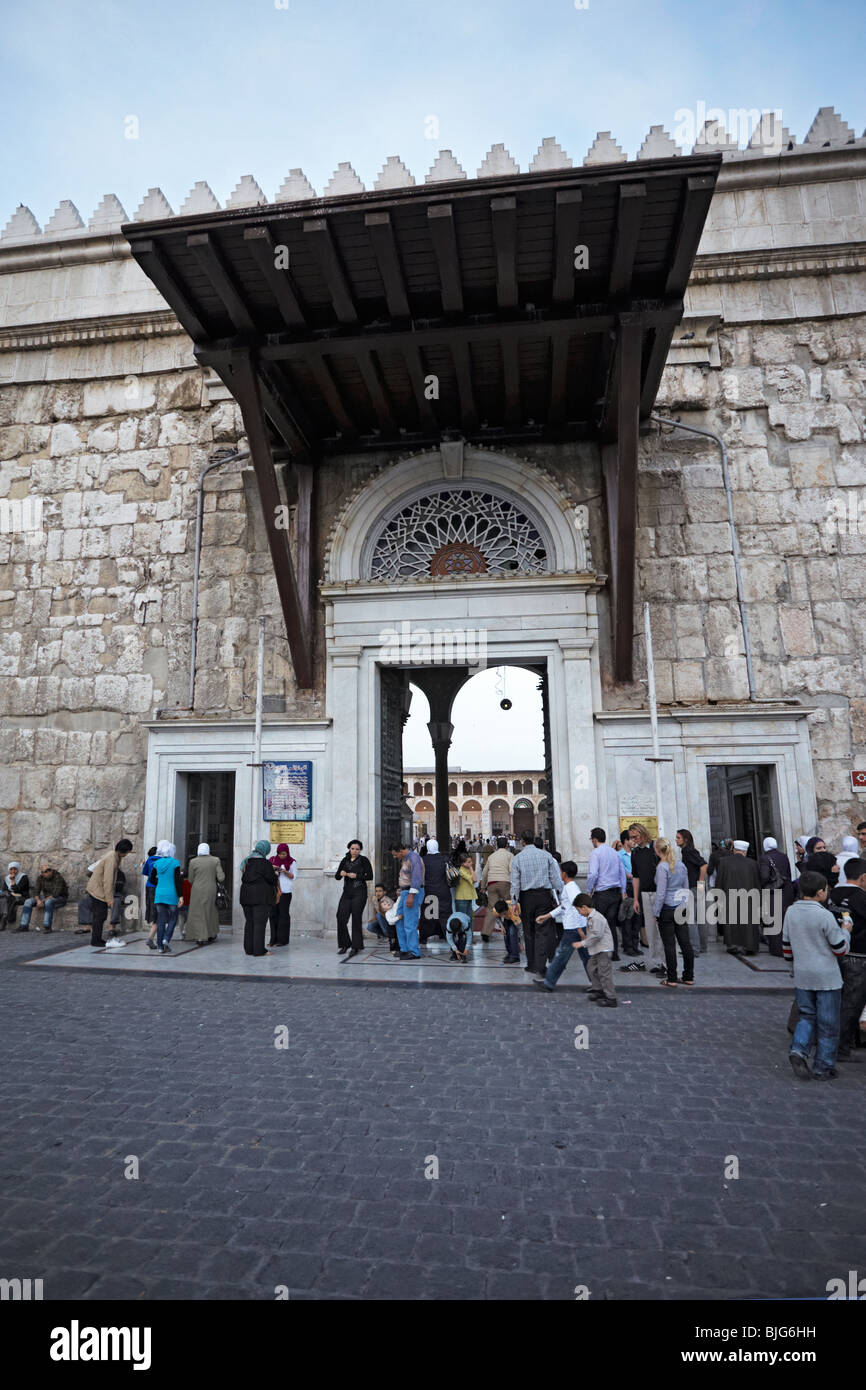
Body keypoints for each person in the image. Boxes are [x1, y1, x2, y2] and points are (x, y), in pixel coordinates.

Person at [783, 870, 850, 1080]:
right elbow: (840, 949)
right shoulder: (825, 915)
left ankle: (799, 1049)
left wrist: (794, 965)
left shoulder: (791, 912)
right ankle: (823, 1066)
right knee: (828, 1022)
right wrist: (846, 930)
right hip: (826, 976)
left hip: (803, 974)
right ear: (821, 892)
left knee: (806, 1015)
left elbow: (787, 947)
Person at [827, 856, 866, 1062]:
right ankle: (841, 1046)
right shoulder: (861, 898)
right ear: (863, 878)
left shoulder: (833, 894)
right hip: (858, 956)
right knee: (852, 1004)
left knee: (839, 1001)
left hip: (838, 953)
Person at [510, 831, 562, 978]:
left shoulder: (518, 858)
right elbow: (555, 878)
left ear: (522, 842)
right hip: (543, 896)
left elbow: (515, 883)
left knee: (529, 931)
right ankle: (541, 965)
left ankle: (532, 964)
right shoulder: (546, 856)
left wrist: (514, 902)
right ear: (533, 840)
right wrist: (561, 894)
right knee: (542, 930)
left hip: (526, 898)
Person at [532, 862, 586, 993]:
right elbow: (564, 907)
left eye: (560, 871)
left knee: (561, 956)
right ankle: (598, 984)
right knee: (586, 957)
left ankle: (549, 983)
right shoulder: (570, 887)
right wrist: (546, 916)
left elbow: (577, 905)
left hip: (573, 928)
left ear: (564, 874)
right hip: (577, 927)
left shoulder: (570, 888)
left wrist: (579, 927)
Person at [653, 837, 693, 987]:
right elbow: (686, 888)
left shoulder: (662, 867)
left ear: (657, 850)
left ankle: (671, 978)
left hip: (667, 908)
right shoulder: (681, 866)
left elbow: (661, 893)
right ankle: (689, 976)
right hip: (680, 907)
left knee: (669, 945)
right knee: (685, 943)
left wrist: (656, 912)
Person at [586, 827, 627, 961]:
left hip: (602, 893)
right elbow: (622, 873)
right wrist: (623, 891)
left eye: (592, 839)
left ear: (595, 839)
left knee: (598, 923)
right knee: (611, 923)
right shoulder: (615, 853)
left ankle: (600, 952)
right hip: (615, 893)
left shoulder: (595, 853)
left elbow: (593, 874)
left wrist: (588, 890)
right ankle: (613, 953)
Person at [715, 840, 762, 954]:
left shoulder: (724, 862)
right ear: (745, 852)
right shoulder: (753, 863)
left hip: (729, 897)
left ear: (734, 850)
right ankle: (750, 946)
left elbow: (719, 881)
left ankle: (732, 945)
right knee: (749, 923)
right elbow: (757, 883)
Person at [86, 840, 133, 949]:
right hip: (98, 890)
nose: (127, 855)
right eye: (127, 852)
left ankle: (97, 939)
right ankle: (96, 941)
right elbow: (108, 880)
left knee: (100, 916)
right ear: (124, 851)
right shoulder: (112, 859)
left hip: (98, 889)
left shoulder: (115, 855)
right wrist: (109, 898)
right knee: (100, 915)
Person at [334, 839, 373, 961]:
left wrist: (356, 876)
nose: (354, 851)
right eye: (352, 848)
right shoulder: (345, 860)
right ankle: (345, 944)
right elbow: (337, 877)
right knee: (340, 916)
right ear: (349, 849)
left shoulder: (364, 860)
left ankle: (356, 947)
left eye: (357, 849)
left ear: (360, 850)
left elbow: (370, 876)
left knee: (356, 918)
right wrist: (341, 873)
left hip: (360, 893)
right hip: (347, 893)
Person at [239, 840, 278, 958]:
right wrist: (275, 873)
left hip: (246, 896)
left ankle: (249, 949)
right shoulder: (265, 863)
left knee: (249, 923)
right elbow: (271, 879)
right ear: (265, 850)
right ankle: (259, 950)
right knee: (259, 924)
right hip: (260, 898)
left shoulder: (247, 861)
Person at [758, 836, 794, 958]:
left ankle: (776, 949)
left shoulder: (765, 858)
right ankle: (787, 946)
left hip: (773, 892)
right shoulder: (784, 856)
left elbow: (764, 876)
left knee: (773, 920)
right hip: (787, 890)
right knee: (784, 919)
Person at [185, 843, 225, 947]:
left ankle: (200, 936)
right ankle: (211, 933)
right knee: (211, 912)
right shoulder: (215, 860)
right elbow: (221, 877)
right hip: (211, 889)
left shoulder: (193, 861)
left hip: (197, 890)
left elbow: (190, 879)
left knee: (198, 913)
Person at [675, 829, 707, 954]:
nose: (676, 840)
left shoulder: (688, 851)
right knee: (699, 918)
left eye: (678, 838)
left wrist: (700, 883)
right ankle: (702, 947)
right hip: (695, 887)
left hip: (693, 888)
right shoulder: (688, 851)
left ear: (685, 839)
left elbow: (703, 865)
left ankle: (694, 948)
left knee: (691, 919)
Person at [391, 840, 424, 960]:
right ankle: (404, 949)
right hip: (405, 892)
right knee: (399, 920)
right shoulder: (405, 859)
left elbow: (416, 878)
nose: (395, 857)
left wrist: (411, 895)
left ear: (401, 851)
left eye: (395, 854)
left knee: (410, 923)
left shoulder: (414, 858)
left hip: (412, 893)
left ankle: (414, 951)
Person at [17, 861, 68, 933]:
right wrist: (38, 900)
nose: (46, 873)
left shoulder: (58, 878)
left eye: (48, 870)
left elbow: (56, 894)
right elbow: (36, 891)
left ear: (51, 870)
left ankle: (47, 926)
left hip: (60, 898)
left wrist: (42, 901)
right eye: (44, 872)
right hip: (46, 898)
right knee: (28, 901)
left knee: (48, 902)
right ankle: (24, 925)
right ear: (42, 873)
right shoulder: (40, 878)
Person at [150, 840, 182, 954]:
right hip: (172, 894)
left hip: (159, 894)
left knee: (161, 920)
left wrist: (160, 881)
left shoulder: (156, 863)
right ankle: (166, 939)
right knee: (173, 918)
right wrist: (181, 896)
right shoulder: (175, 863)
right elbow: (178, 881)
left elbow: (152, 880)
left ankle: (159, 946)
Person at [480, 836, 514, 940]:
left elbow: (485, 872)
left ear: (496, 845)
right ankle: (510, 929)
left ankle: (486, 932)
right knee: (508, 906)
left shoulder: (491, 857)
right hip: (505, 883)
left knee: (491, 908)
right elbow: (511, 870)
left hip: (492, 883)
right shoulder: (510, 855)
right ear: (507, 845)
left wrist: (483, 886)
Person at [419, 838, 451, 942]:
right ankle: (445, 934)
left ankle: (424, 936)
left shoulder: (423, 860)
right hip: (443, 891)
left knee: (428, 915)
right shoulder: (444, 859)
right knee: (444, 914)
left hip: (429, 891)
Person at [268, 843, 297, 947]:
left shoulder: (291, 862)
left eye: (284, 854)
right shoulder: (272, 860)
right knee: (273, 915)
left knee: (283, 915)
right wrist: (273, 870)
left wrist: (285, 871)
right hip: (274, 892)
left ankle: (282, 940)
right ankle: (273, 939)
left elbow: (294, 876)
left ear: (287, 853)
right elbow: (267, 873)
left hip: (286, 892)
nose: (282, 856)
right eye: (280, 854)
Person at [1, 862, 30, 929]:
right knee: (3, 900)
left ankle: (7, 919)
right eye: (11, 869)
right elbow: (4, 890)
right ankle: (3, 921)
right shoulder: (7, 878)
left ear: (18, 869)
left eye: (15, 869)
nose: (13, 871)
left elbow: (18, 890)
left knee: (8, 899)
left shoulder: (23, 877)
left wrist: (13, 880)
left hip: (22, 897)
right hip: (10, 897)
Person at [493, 898, 521, 964]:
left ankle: (515, 957)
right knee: (505, 934)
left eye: (504, 914)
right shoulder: (496, 910)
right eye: (501, 914)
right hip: (508, 917)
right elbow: (496, 917)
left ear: (507, 910)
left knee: (512, 933)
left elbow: (520, 929)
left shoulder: (513, 911)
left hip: (517, 915)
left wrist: (521, 943)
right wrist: (501, 926)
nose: (503, 916)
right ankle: (510, 953)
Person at [454, 854, 477, 924]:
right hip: (462, 898)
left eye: (471, 861)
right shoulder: (461, 871)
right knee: (462, 919)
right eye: (468, 862)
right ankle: (463, 934)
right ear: (462, 863)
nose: (471, 863)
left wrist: (470, 868)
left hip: (468, 897)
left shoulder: (467, 869)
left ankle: (469, 934)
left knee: (469, 918)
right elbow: (475, 879)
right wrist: (471, 868)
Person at [141, 846, 158, 933]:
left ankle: (151, 922)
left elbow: (144, 872)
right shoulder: (162, 860)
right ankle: (156, 922)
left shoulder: (149, 860)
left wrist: (143, 865)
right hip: (158, 885)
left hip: (150, 885)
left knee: (150, 903)